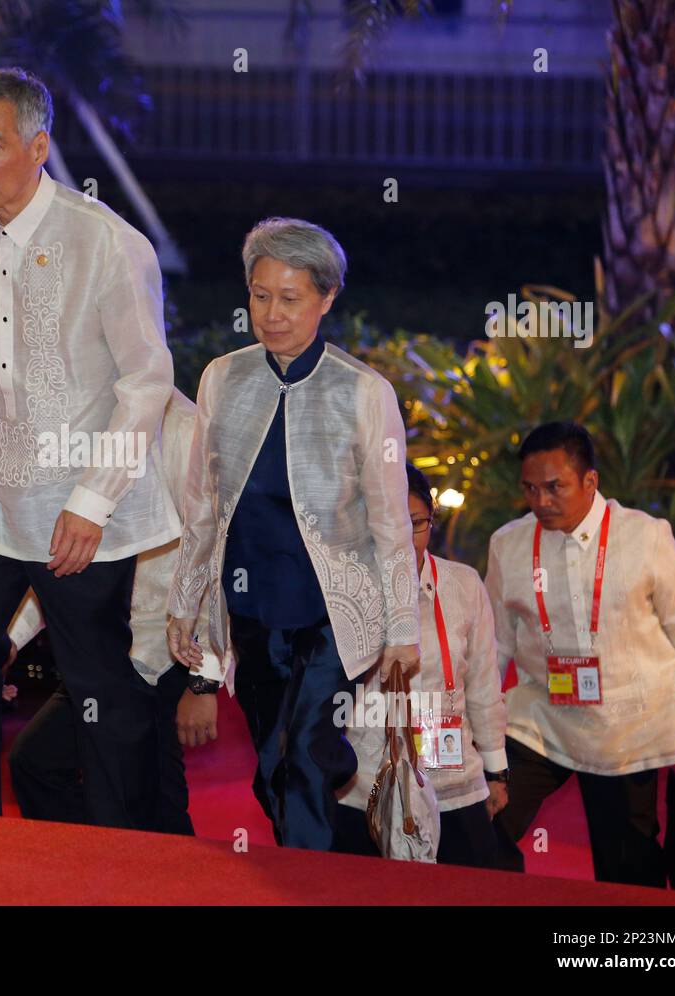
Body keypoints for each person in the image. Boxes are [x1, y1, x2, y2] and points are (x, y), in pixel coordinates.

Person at [0, 67, 177, 827]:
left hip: (81, 503)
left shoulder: (107, 242)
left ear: (39, 147)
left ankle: (118, 842)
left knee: (95, 679)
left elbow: (146, 383)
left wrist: (93, 502)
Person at [168, 217, 420, 851]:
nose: (271, 314)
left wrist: (403, 629)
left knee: (304, 755)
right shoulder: (222, 377)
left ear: (326, 297)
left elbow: (392, 523)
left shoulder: (364, 392)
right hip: (251, 610)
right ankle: (323, 850)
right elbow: (202, 506)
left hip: (332, 615)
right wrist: (186, 603)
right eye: (260, 296)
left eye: (290, 298)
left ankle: (308, 881)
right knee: (273, 772)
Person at [486, 421, 675, 886]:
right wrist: (478, 722)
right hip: (542, 719)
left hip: (627, 729)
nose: (540, 501)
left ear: (590, 481)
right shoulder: (508, 545)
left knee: (628, 872)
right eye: (530, 489)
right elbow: (496, 644)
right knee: (482, 824)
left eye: (555, 487)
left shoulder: (645, 537)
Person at [5, 389, 218, 834]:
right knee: (43, 763)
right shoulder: (76, 420)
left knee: (151, 797)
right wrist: (9, 640)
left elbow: (216, 554)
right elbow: (60, 556)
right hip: (100, 646)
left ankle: (125, 864)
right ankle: (99, 862)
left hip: (164, 650)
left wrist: (204, 682)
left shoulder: (184, 428)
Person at [334, 464, 510, 868]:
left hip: (452, 781)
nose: (403, 540)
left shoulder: (463, 585)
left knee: (471, 891)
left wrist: (497, 771)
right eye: (389, 525)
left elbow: (484, 685)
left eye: (415, 524)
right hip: (364, 786)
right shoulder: (344, 590)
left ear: (432, 519)